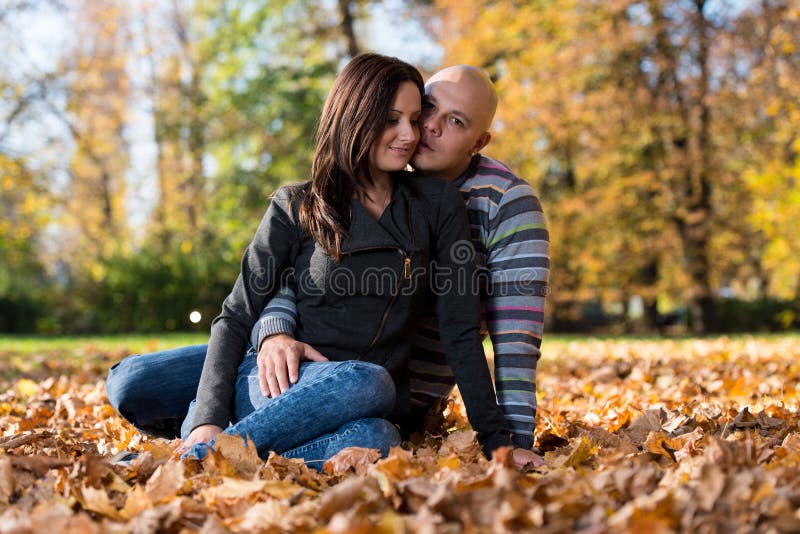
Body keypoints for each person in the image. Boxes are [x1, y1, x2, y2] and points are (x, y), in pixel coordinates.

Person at [107, 54, 516, 469]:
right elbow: (236, 315)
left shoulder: (437, 204)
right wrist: (208, 417)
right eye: (392, 119)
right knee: (130, 381)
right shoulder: (297, 204)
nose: (409, 134)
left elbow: (461, 332)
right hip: (268, 378)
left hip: (356, 394)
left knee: (375, 430)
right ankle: (210, 439)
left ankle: (198, 459)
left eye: (414, 118)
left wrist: (498, 444)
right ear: (354, 117)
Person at [255, 66, 549, 467]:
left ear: (478, 142)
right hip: (304, 371)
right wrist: (275, 331)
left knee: (368, 416)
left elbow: (516, 335)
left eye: (455, 121)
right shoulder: (377, 173)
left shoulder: (506, 203)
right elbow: (295, 270)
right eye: (425, 108)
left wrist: (510, 444)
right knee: (140, 381)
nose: (427, 127)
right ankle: (216, 437)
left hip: (394, 394)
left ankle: (225, 447)